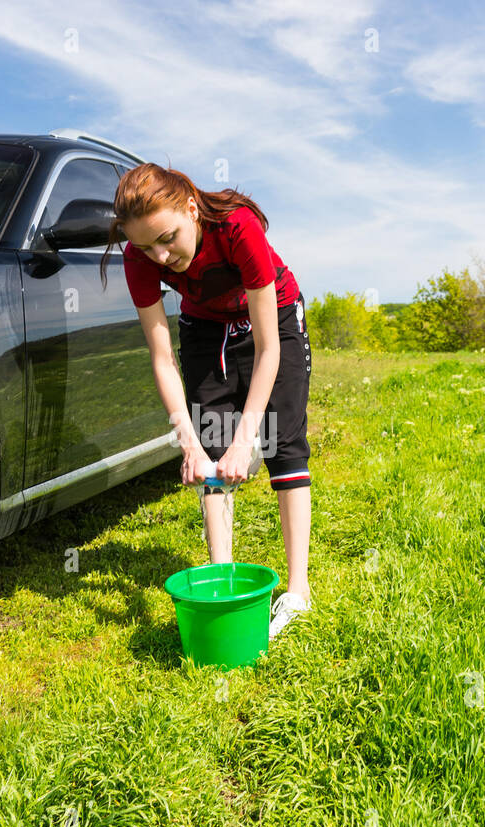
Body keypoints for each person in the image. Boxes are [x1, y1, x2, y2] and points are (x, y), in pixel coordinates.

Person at [99, 163, 312, 637]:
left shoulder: (238, 228)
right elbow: (161, 359)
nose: (161, 255)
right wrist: (190, 444)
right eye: (147, 246)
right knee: (211, 444)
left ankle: (297, 590)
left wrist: (247, 439)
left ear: (191, 209)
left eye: (168, 238)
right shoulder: (140, 257)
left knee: (283, 441)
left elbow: (267, 348)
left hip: (272, 313)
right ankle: (221, 580)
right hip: (204, 325)